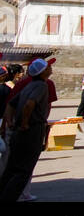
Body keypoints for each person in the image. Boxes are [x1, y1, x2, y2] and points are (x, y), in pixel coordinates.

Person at [0, 60, 52, 202]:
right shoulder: (41, 85)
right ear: (42, 72)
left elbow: (11, 104)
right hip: (31, 130)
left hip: (18, 131)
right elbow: (29, 104)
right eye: (48, 67)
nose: (50, 69)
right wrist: (24, 123)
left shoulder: (28, 85)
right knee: (24, 170)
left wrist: (10, 121)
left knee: (11, 167)